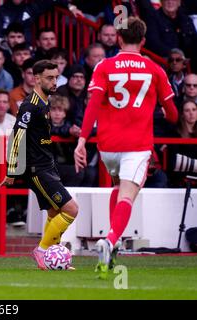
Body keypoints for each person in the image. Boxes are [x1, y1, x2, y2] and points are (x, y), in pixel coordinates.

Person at [74, 17, 179, 279]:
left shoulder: (104, 66)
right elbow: (174, 115)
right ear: (143, 41)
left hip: (109, 146)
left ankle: (114, 243)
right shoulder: (155, 69)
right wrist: (165, 112)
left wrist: (82, 140)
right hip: (137, 145)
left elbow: (93, 106)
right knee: (127, 197)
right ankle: (109, 241)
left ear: (119, 39)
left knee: (118, 188)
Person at [0, 60, 79, 270]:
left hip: (46, 166)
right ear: (36, 79)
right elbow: (17, 137)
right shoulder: (30, 105)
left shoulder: (43, 103)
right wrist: (12, 171)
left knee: (54, 213)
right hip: (37, 169)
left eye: (56, 77)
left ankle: (52, 257)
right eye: (49, 78)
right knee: (71, 209)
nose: (55, 82)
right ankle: (42, 251)